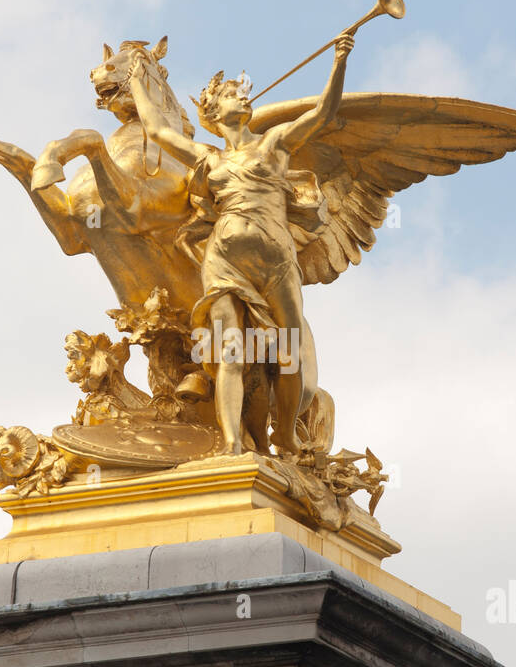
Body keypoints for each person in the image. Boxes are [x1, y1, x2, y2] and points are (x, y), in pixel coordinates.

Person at [127, 34, 355, 455]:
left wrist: (339, 60)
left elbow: (323, 114)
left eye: (242, 92)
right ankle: (232, 443)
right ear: (214, 111)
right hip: (224, 261)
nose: (242, 97)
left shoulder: (274, 143)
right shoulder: (209, 158)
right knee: (230, 348)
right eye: (232, 94)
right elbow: (157, 129)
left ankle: (283, 433)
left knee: (289, 353)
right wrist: (137, 79)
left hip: (277, 261)